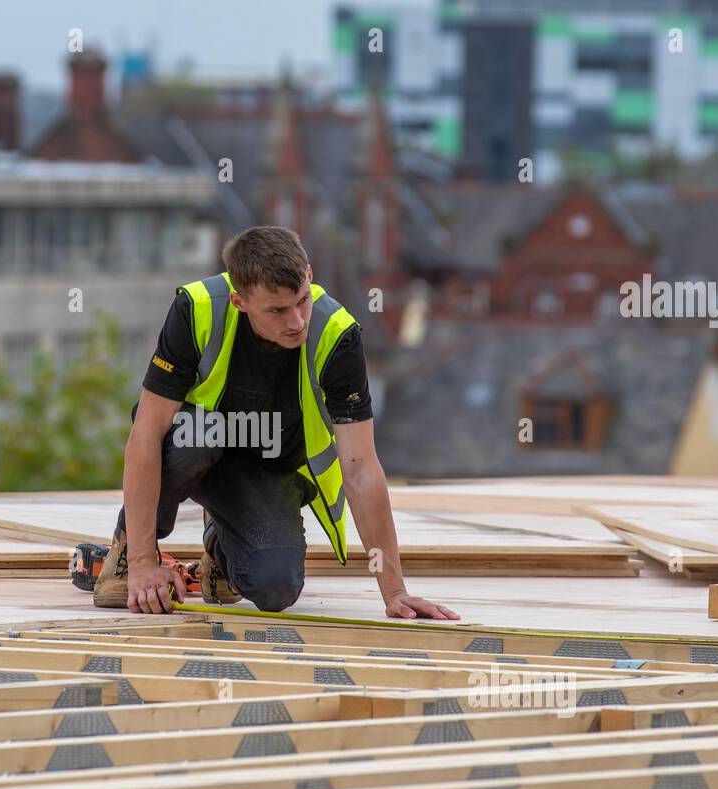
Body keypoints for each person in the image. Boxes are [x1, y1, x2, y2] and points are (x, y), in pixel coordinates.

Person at [93, 225, 459, 622]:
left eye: (302, 301)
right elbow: (146, 433)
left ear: (309, 275)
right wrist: (147, 562)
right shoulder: (196, 309)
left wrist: (395, 590)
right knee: (195, 439)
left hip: (267, 470)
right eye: (277, 310)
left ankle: (221, 548)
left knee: (276, 587)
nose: (297, 321)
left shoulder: (337, 335)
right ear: (239, 301)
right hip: (196, 447)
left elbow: (361, 468)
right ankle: (128, 555)